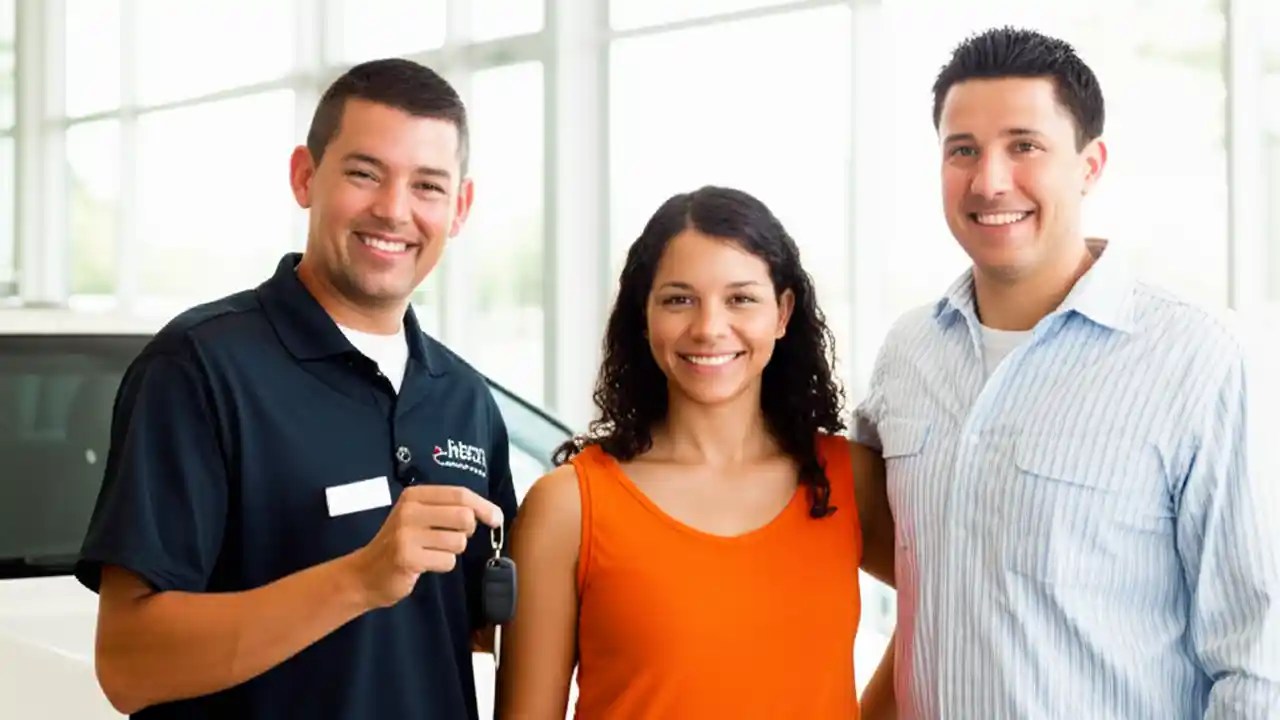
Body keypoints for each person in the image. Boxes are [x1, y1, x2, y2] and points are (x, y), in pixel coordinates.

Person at [854, 27, 1280, 718]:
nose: (990, 180)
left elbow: (1259, 661)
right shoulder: (907, 353)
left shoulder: (1199, 358)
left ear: (1089, 165)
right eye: (963, 150)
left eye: (1024, 146)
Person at [75, 58, 516, 719]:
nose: (394, 211)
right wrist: (359, 579)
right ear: (305, 177)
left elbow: (483, 622)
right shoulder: (198, 369)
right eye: (365, 174)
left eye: (427, 186)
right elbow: (128, 666)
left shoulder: (463, 397)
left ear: (460, 208)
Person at [495, 185, 895, 719]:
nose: (708, 328)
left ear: (782, 312)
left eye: (740, 299)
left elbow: (957, 600)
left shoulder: (849, 480)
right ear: (645, 315)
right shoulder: (568, 507)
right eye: (679, 299)